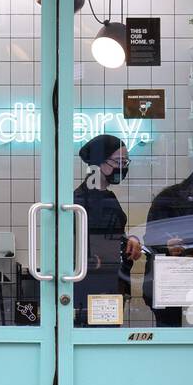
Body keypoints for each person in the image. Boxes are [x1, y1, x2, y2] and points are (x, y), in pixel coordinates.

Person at [73, 135, 142, 325]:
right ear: (98, 163)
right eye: (118, 161)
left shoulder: (107, 196)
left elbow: (110, 233)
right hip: (94, 285)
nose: (123, 167)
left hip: (110, 281)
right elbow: (80, 241)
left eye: (126, 161)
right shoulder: (81, 201)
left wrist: (129, 240)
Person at [142, 166, 193, 326]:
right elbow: (150, 239)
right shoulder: (168, 199)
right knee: (169, 328)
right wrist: (166, 247)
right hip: (166, 278)